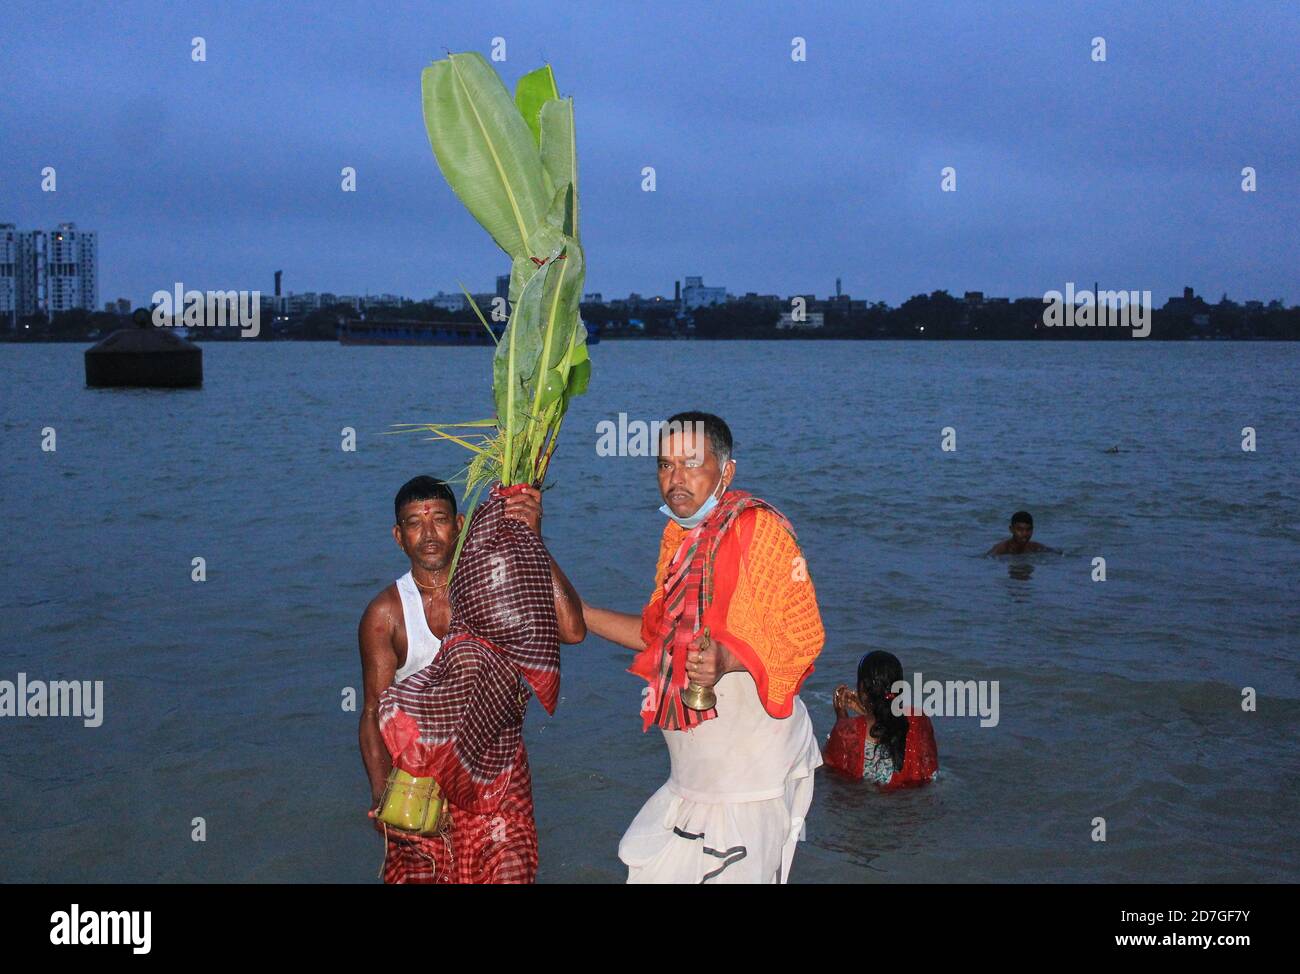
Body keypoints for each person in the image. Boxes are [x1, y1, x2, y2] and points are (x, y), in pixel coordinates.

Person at [582, 412, 825, 883]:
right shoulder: (677, 537)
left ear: (726, 471)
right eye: (665, 465)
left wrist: (729, 659)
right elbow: (658, 636)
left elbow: (804, 640)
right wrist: (575, 610)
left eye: (692, 464)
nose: (676, 479)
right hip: (692, 777)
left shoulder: (762, 530)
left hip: (748, 781)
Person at [358, 475, 584, 883]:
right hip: (422, 785)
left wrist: (532, 538)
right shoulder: (388, 613)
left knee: (509, 871)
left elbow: (571, 630)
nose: (429, 534)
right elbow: (374, 709)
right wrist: (379, 793)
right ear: (398, 535)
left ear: (460, 524)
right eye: (414, 523)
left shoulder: (496, 578)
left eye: (440, 520)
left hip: (497, 772)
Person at [822, 651, 939, 787]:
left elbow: (832, 771)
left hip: (868, 802)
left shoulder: (846, 730)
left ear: (862, 689)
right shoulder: (919, 718)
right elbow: (930, 773)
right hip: (912, 802)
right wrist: (868, 711)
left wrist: (841, 718)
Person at [985, 510, 1058, 555]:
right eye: (1020, 529)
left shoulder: (1034, 547)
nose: (1025, 534)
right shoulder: (1001, 550)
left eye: (1028, 529)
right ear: (1011, 529)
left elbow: (1057, 553)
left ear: (1033, 529)